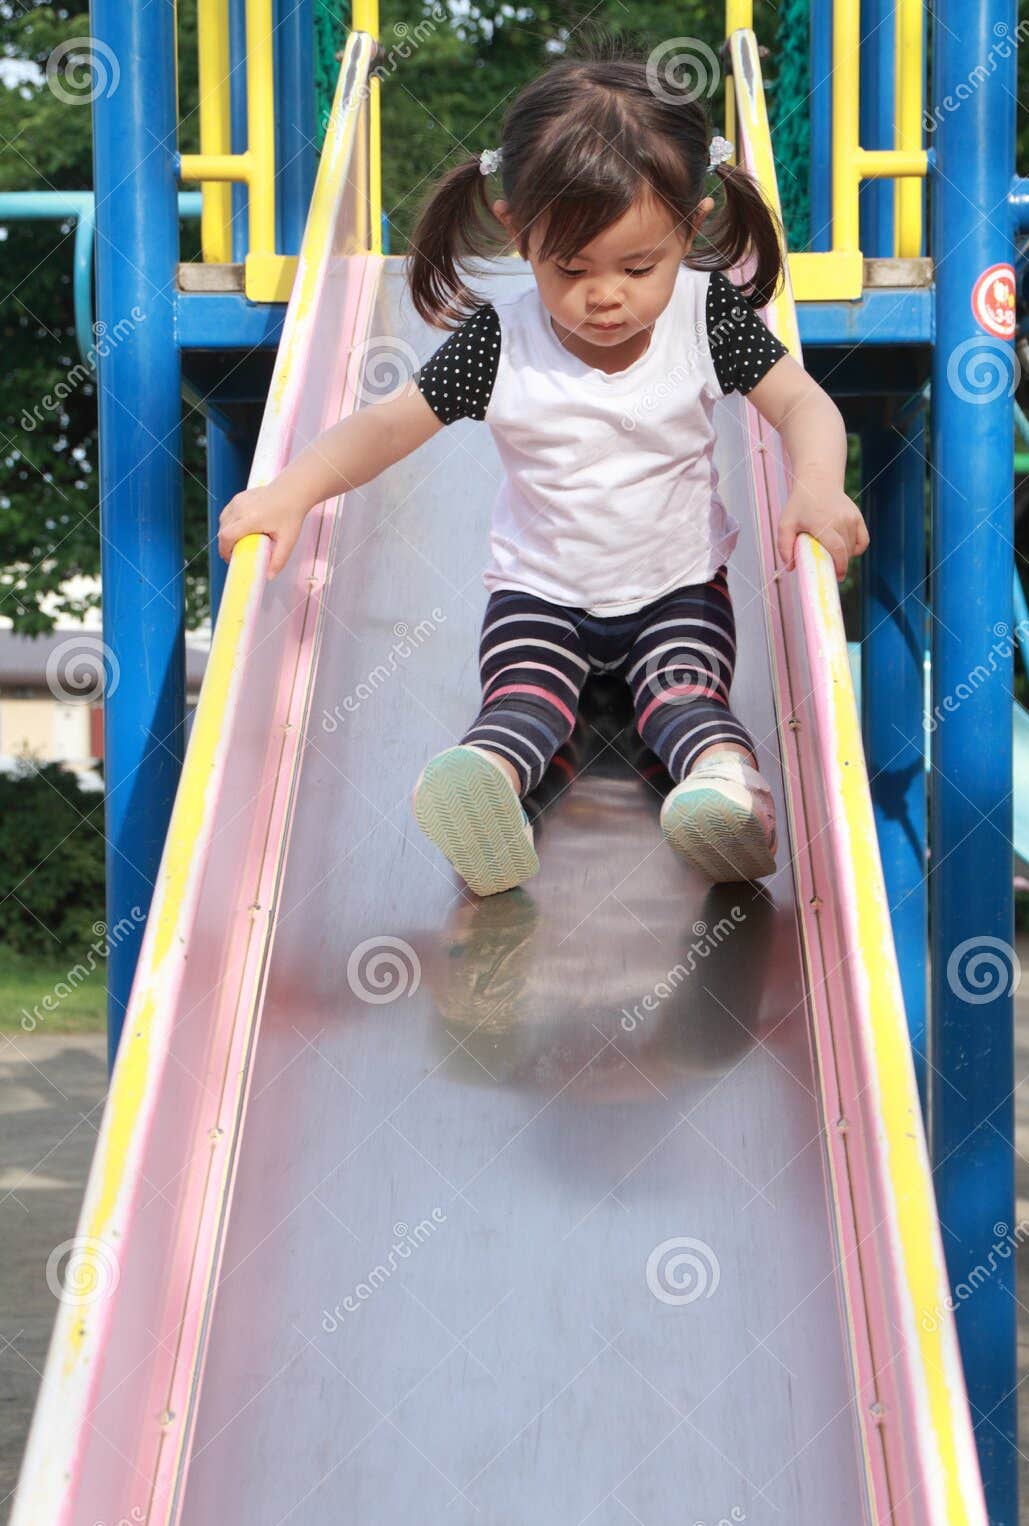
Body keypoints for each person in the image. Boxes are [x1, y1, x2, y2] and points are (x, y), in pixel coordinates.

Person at [218, 49, 869, 898]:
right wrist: (289, 491)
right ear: (514, 227)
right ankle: (484, 790)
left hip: (676, 589)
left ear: (690, 227)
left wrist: (814, 482)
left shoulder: (705, 315)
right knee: (520, 703)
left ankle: (725, 800)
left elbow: (802, 405)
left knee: (686, 702)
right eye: (570, 268)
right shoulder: (500, 341)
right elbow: (384, 427)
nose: (605, 296)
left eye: (639, 267)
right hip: (538, 595)